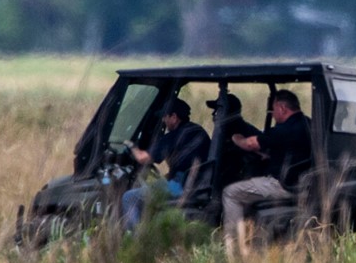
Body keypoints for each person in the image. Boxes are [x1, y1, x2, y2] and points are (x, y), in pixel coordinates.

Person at [221, 89, 312, 238]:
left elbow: (250, 144)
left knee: (230, 193)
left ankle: (234, 244)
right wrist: (267, 156)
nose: (272, 113)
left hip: (281, 184)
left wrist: (235, 138)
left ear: (282, 108)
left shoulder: (284, 129)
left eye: (273, 109)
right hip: (301, 182)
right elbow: (288, 149)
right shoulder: (308, 124)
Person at [121, 98, 210, 230]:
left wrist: (130, 145)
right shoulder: (198, 131)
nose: (163, 121)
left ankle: (134, 237)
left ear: (174, 117)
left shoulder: (173, 137)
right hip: (200, 184)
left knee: (129, 197)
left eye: (165, 117)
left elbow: (142, 158)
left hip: (180, 186)